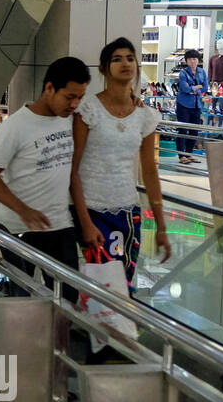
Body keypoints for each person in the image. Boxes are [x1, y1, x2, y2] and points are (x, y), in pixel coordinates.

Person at [0, 56, 91, 296]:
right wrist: (23, 210)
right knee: (23, 300)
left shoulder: (71, 121)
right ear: (49, 88)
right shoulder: (15, 127)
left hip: (60, 225)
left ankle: (58, 335)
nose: (75, 104)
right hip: (19, 229)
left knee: (68, 298)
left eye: (80, 97)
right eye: (69, 96)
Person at [70, 38, 172, 292]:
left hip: (128, 212)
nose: (125, 64)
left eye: (129, 58)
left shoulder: (144, 115)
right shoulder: (87, 109)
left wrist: (160, 225)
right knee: (98, 288)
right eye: (116, 59)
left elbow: (149, 171)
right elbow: (73, 167)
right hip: (91, 210)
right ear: (104, 69)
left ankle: (114, 332)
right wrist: (85, 221)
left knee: (121, 287)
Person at [174, 49, 208, 164]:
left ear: (198, 60)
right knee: (183, 130)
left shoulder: (202, 72)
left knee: (194, 131)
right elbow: (185, 88)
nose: (192, 61)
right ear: (186, 61)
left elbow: (205, 88)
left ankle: (189, 154)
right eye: (190, 59)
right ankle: (181, 155)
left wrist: (193, 88)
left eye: (194, 59)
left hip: (196, 105)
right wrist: (196, 87)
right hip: (183, 104)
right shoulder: (183, 72)